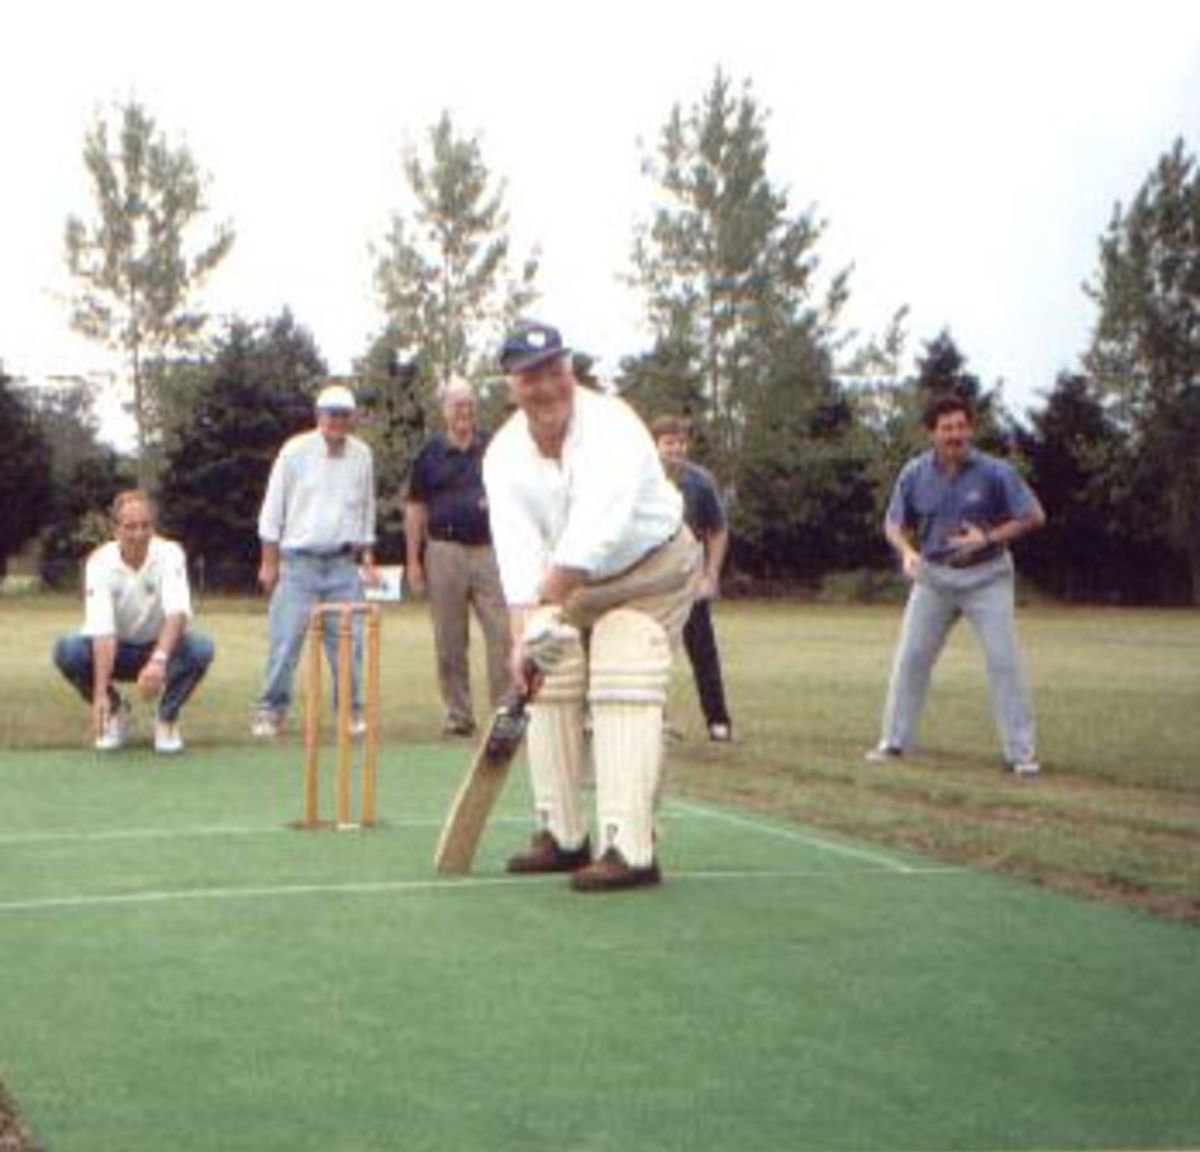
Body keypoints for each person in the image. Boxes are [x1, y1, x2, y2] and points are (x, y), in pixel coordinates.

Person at [484, 320, 701, 893]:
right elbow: (518, 557)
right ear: (511, 384)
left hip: (654, 568)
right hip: (574, 583)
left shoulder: (613, 426)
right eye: (531, 376)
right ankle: (563, 834)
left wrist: (539, 616)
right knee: (552, 672)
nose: (548, 386)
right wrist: (520, 639)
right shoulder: (504, 454)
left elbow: (590, 542)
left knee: (624, 656)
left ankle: (631, 848)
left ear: (570, 368)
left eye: (556, 370)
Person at [868, 392, 1046, 775]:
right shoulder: (914, 473)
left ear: (971, 429)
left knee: (1004, 662)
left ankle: (1021, 755)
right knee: (911, 658)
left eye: (962, 426)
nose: (956, 434)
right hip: (933, 579)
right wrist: (907, 552)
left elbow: (1033, 516)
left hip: (988, 578)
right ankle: (895, 742)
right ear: (932, 433)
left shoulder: (996, 472)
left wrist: (990, 538)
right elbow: (893, 523)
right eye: (947, 428)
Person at [252, 382, 378, 738]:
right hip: (297, 563)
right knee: (285, 642)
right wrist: (269, 562)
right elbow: (272, 510)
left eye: (343, 415)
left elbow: (366, 510)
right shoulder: (294, 452)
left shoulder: (362, 455)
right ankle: (269, 711)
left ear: (351, 418)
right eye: (330, 414)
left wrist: (366, 559)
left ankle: (351, 713)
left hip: (342, 565)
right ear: (318, 416)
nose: (337, 422)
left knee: (348, 645)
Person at [52, 489, 214, 754]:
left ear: (153, 526)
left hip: (158, 647)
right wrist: (101, 694)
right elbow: (102, 632)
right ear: (116, 529)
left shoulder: (170, 553)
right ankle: (117, 713)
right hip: (116, 650)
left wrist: (159, 660)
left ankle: (166, 719)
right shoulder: (99, 563)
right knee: (67, 650)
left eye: (145, 526)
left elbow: (178, 613)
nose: (138, 534)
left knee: (200, 649)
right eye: (130, 527)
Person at [405, 378, 511, 737]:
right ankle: (458, 714)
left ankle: (505, 712)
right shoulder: (429, 453)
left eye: (468, 404)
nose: (463, 411)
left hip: (489, 551)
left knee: (502, 634)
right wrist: (413, 562)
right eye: (456, 405)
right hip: (443, 551)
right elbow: (415, 508)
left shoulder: (494, 448)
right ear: (444, 410)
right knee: (449, 637)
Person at [651, 415, 733, 742]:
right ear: (655, 444)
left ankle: (718, 722)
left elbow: (718, 531)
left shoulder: (700, 482)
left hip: (689, 574)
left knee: (703, 651)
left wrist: (710, 574)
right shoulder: (642, 479)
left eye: (681, 442)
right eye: (669, 442)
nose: (676, 449)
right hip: (651, 579)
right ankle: (655, 720)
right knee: (652, 651)